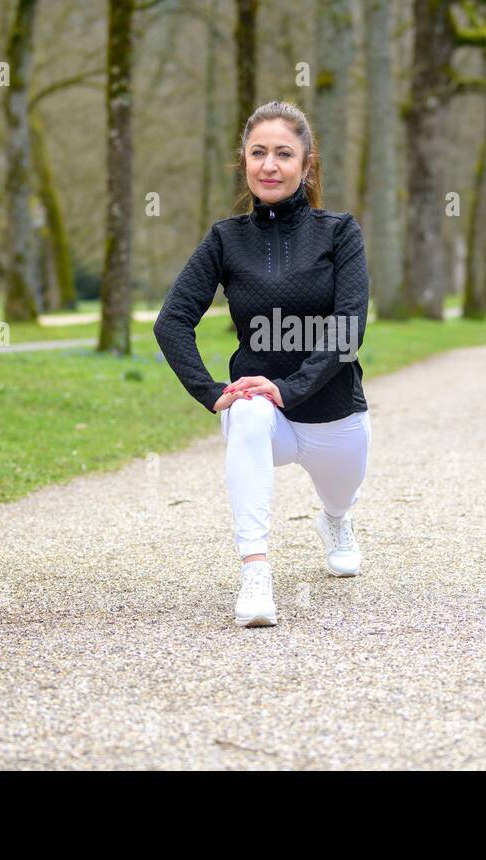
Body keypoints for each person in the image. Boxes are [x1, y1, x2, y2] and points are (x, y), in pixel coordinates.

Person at [153, 100, 372, 628]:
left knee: (341, 492)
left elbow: (348, 330)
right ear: (244, 161)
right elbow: (171, 322)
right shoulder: (225, 239)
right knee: (247, 411)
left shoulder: (340, 232)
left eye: (282, 153)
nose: (269, 165)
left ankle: (335, 521)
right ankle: (255, 573)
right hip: (264, 414)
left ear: (306, 164)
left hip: (333, 413)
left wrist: (289, 388)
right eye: (258, 153)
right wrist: (211, 392)